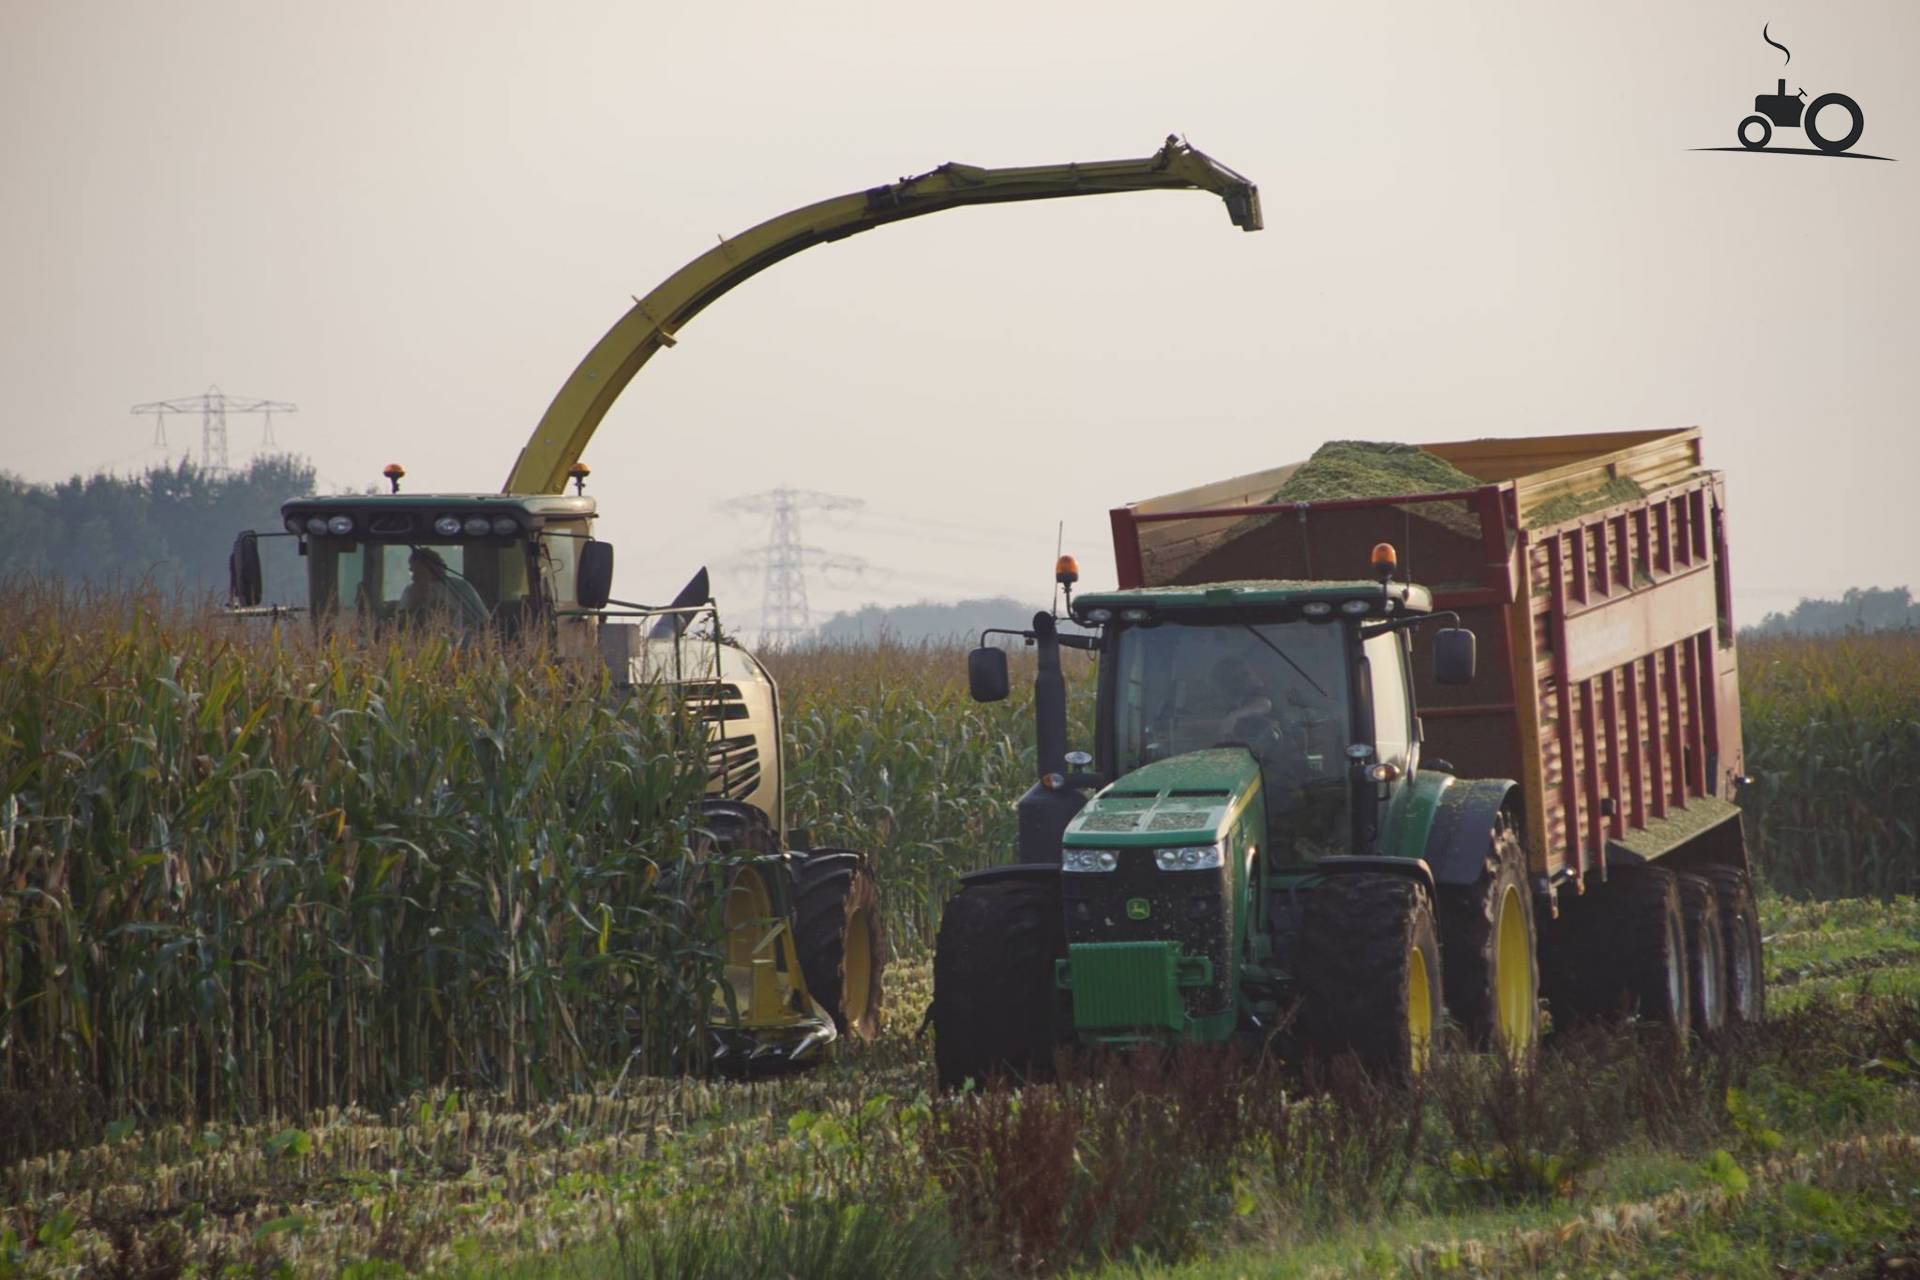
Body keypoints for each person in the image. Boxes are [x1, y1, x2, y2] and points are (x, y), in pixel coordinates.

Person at [399, 548, 489, 632]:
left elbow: (483, 620)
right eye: (415, 569)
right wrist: (419, 595)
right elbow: (402, 625)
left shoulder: (459, 586)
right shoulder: (410, 590)